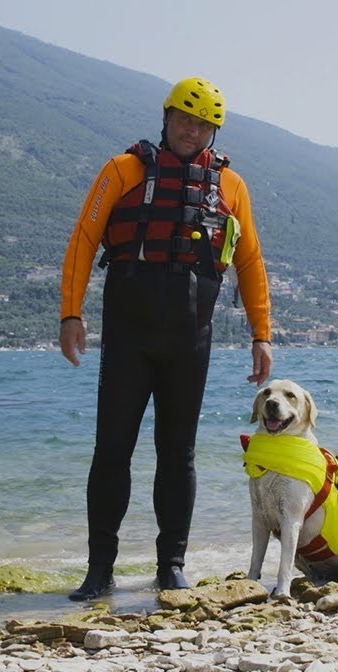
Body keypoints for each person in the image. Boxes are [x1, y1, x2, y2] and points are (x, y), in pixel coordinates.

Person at [58, 76, 273, 601]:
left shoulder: (231, 187)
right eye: (184, 119)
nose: (192, 131)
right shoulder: (123, 170)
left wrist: (260, 334)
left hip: (189, 339)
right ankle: (99, 570)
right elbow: (84, 240)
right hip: (129, 337)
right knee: (112, 451)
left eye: (203, 124)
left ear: (213, 132)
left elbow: (249, 262)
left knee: (178, 454)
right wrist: (70, 314)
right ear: (167, 116)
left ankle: (171, 565)